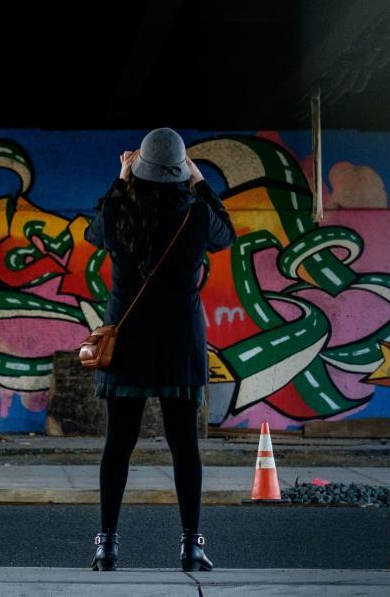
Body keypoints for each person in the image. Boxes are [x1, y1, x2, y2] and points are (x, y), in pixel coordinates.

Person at [83, 128, 236, 571]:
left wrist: (120, 178)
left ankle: (107, 544)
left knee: (119, 445)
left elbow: (95, 232)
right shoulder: (196, 216)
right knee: (184, 446)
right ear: (180, 171)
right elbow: (226, 235)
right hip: (179, 345)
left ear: (139, 169)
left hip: (127, 346)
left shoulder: (118, 212)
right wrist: (200, 180)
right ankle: (191, 545)